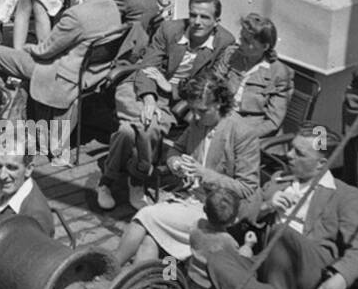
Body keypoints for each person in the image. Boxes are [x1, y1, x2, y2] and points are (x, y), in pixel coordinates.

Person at [206, 123, 358, 289]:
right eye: (291, 147)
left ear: (321, 164)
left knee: (282, 233)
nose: (289, 155)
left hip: (311, 270)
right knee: (218, 259)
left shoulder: (345, 195)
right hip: (269, 263)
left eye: (299, 153)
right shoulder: (279, 181)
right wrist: (266, 207)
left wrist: (342, 277)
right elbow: (238, 214)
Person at [98, 0, 235, 211]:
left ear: (216, 21)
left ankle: (117, 180)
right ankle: (133, 179)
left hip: (173, 99)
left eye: (205, 17)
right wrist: (149, 98)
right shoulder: (170, 30)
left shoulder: (224, 43)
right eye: (193, 15)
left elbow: (208, 84)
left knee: (129, 131)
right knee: (141, 127)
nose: (198, 22)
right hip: (140, 87)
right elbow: (148, 66)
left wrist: (170, 88)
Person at [111, 76, 260, 269]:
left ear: (220, 104)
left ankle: (111, 268)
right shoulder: (199, 121)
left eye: (202, 111)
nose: (195, 117)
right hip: (190, 199)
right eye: (193, 110)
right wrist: (175, 163)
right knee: (150, 240)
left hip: (217, 212)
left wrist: (203, 173)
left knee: (145, 216)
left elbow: (247, 188)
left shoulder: (242, 132)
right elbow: (176, 149)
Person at [0, 0, 122, 134]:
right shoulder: (112, 6)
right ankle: (10, 112)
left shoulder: (76, 15)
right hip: (93, 72)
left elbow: (44, 51)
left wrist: (27, 47)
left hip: (61, 73)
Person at [214, 14, 293, 139]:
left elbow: (273, 122)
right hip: (221, 117)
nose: (240, 43)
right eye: (241, 37)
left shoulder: (279, 73)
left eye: (246, 41)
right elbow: (213, 86)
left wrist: (243, 136)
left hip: (249, 131)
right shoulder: (231, 54)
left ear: (265, 46)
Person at [0, 151, 54, 236]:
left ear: (28, 169)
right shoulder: (9, 186)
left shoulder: (35, 221)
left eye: (11, 167)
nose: (2, 176)